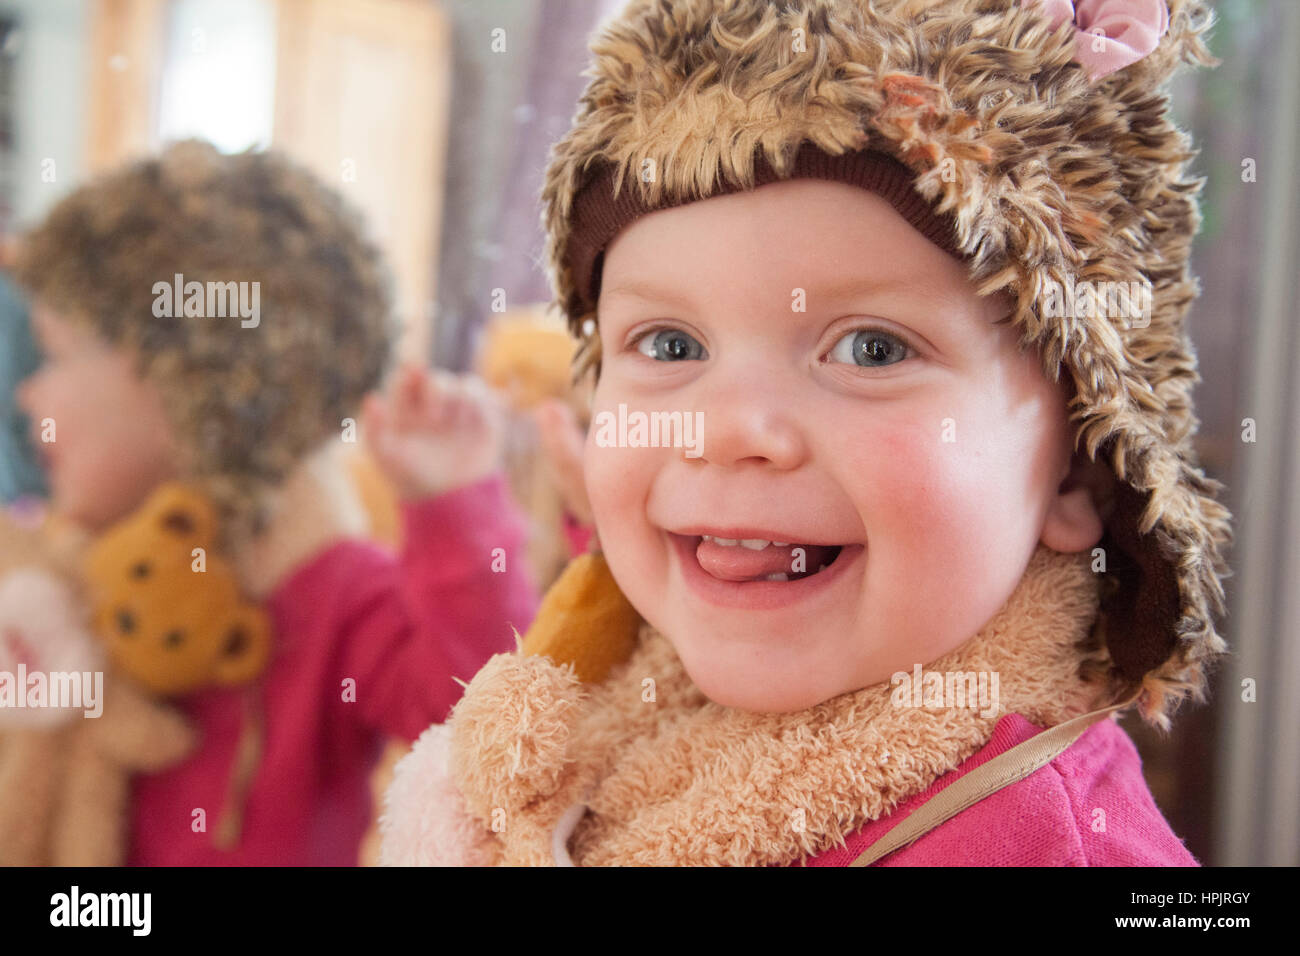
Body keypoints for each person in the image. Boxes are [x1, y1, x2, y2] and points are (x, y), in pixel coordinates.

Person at [380, 0, 1231, 866]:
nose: (729, 431)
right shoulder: (623, 681)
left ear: (1080, 473)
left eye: (870, 349)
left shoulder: (1052, 845)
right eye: (672, 345)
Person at [12, 140, 539, 865]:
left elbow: (483, 720)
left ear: (188, 383)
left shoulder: (333, 591)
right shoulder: (56, 577)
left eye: (60, 355)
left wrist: (452, 508)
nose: (27, 393)